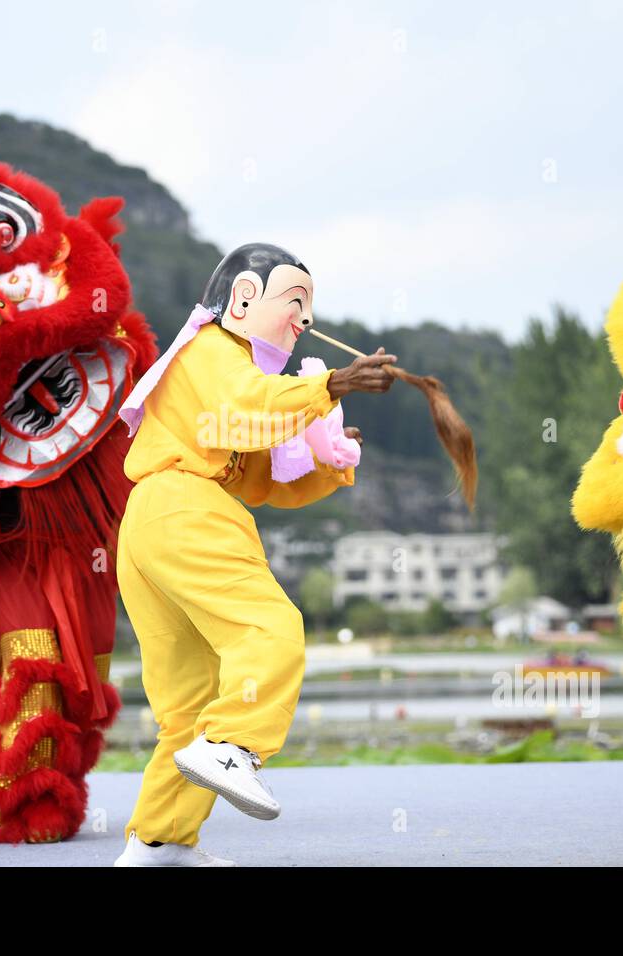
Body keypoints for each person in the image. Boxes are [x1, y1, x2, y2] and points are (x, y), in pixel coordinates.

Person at [112, 243, 396, 866]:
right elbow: (248, 413)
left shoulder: (215, 369)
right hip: (187, 509)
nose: (303, 323)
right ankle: (232, 747)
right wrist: (332, 384)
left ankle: (158, 845)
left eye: (308, 311)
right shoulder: (216, 352)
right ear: (242, 298)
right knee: (271, 629)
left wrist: (328, 459)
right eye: (294, 305)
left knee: (189, 704)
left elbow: (256, 477)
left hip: (151, 521)